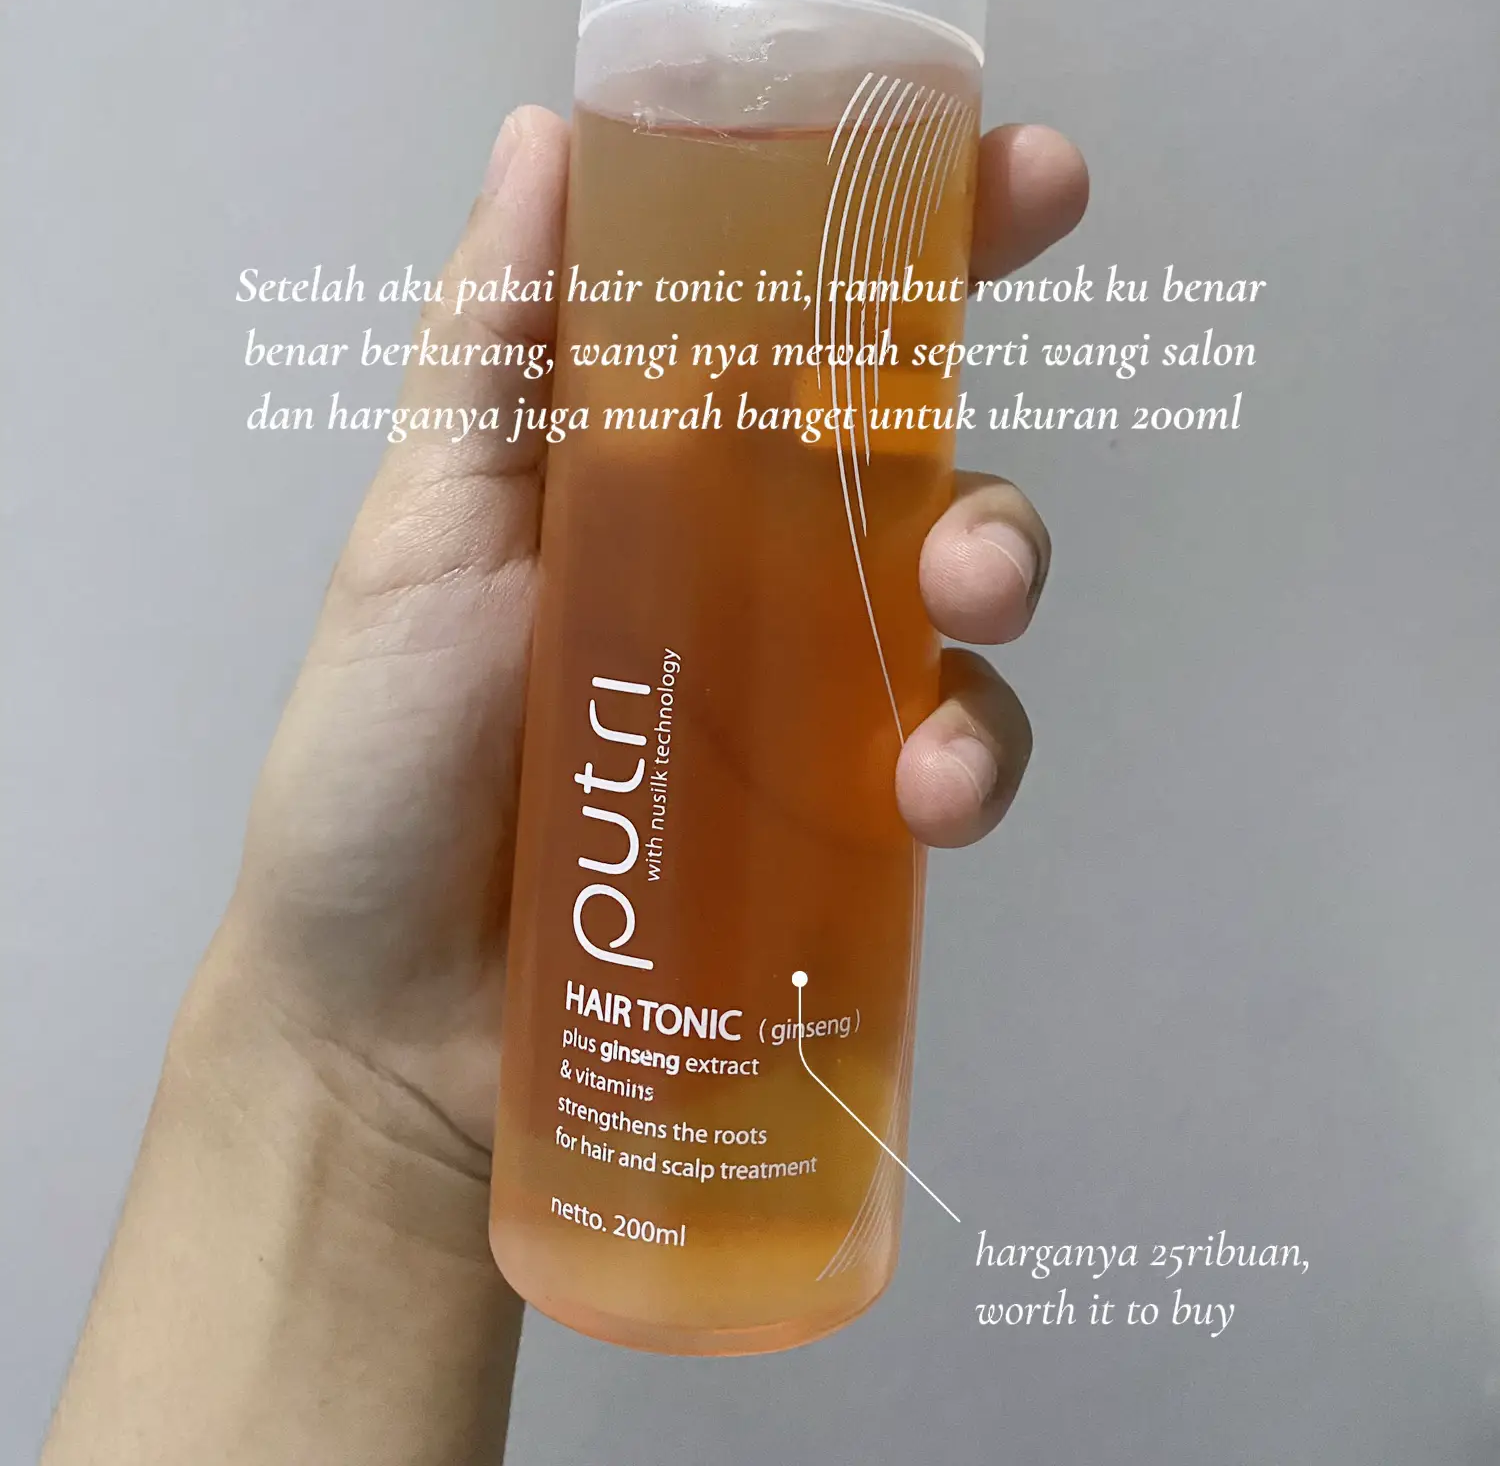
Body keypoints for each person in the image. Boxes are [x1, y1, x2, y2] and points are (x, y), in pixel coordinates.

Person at [42, 104, 1089, 1465]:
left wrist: (356, 1089)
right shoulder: (649, 141)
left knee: (897, 589)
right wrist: (346, 1057)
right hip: (536, 1052)